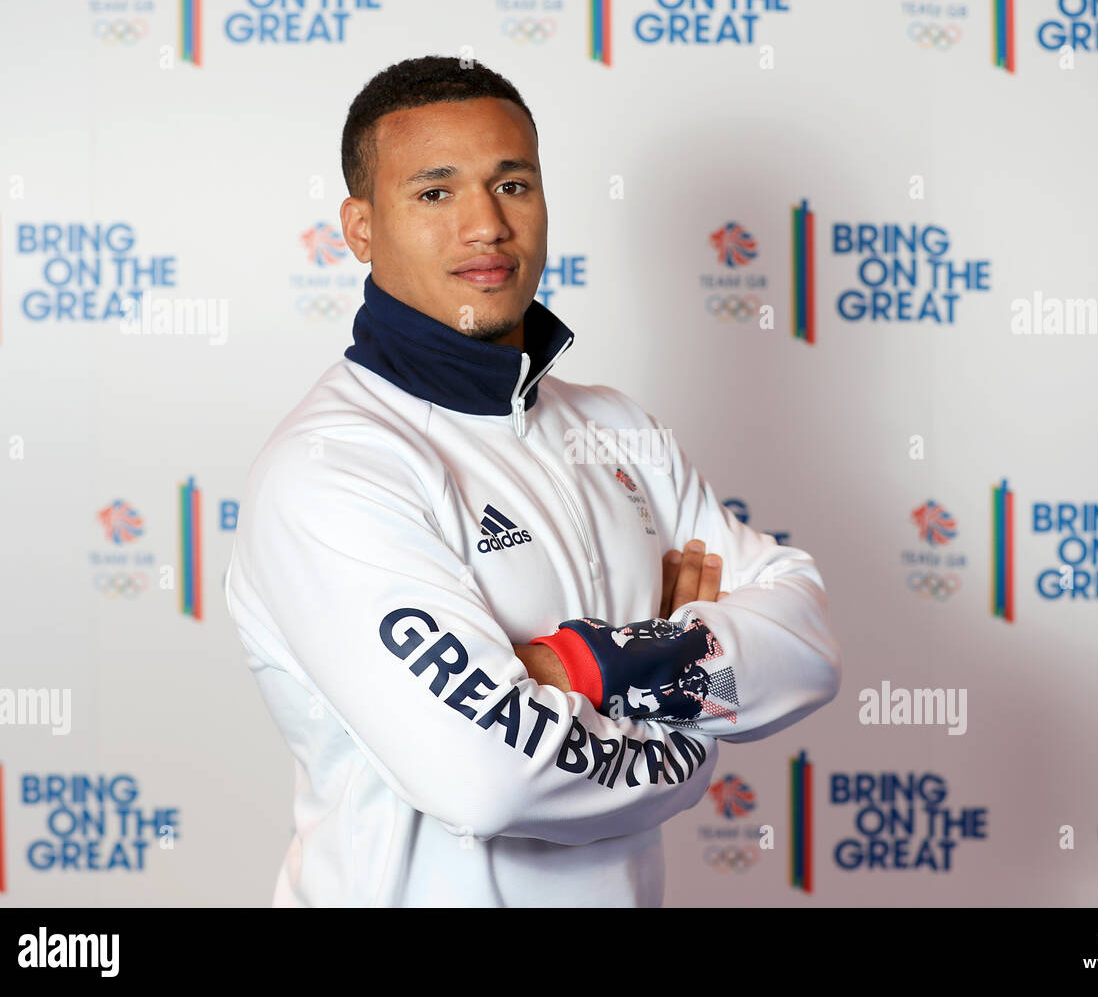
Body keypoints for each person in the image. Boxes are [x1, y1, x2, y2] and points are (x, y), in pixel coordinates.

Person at [223, 55, 841, 907]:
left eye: (512, 184)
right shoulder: (332, 468)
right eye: (435, 193)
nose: (485, 225)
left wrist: (584, 665)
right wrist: (690, 723)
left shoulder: (617, 427)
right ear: (361, 228)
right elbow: (490, 782)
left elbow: (806, 642)